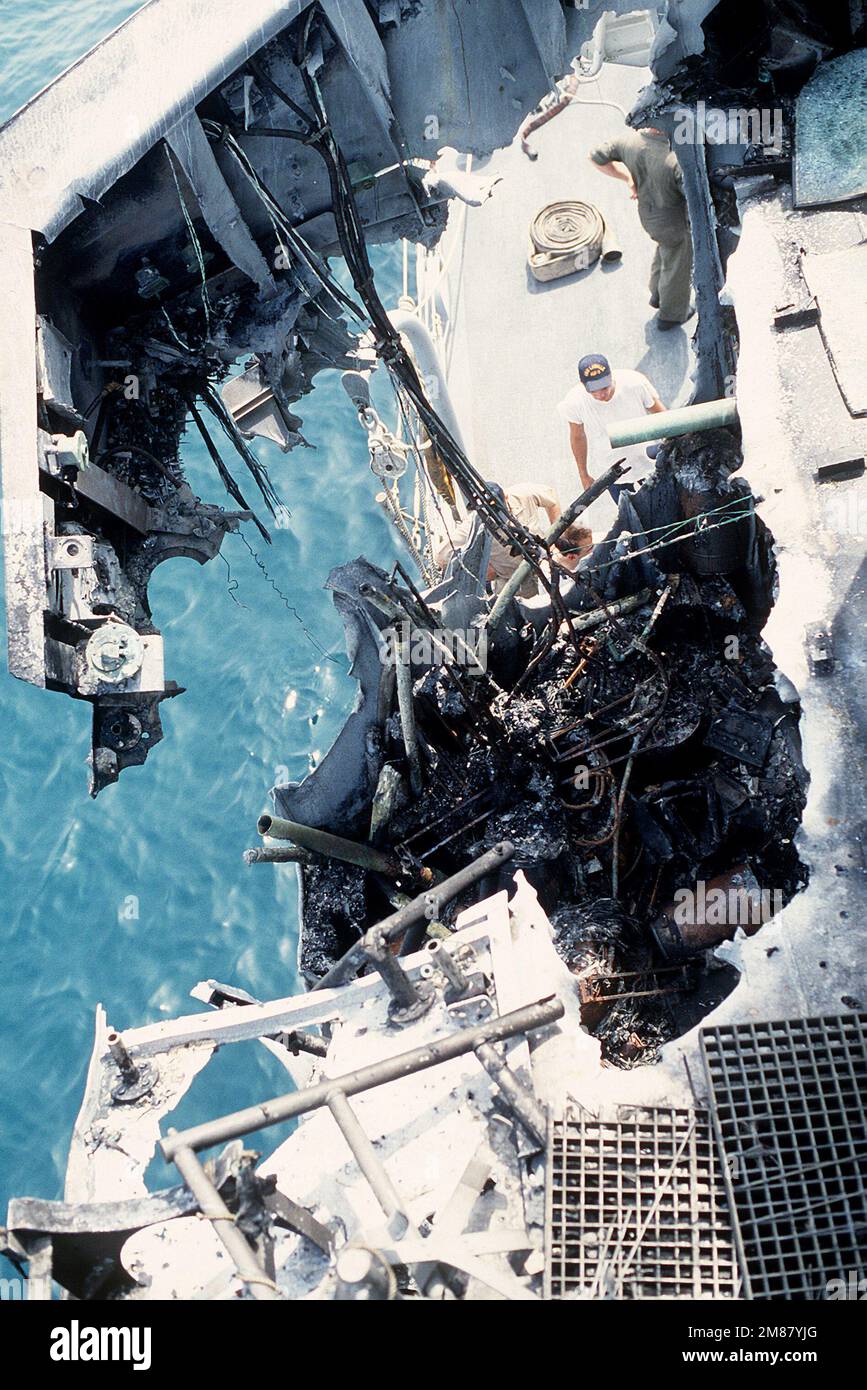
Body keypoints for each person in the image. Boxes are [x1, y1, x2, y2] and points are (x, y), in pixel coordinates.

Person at [589, 126, 693, 329]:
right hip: (673, 220)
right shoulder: (675, 158)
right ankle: (671, 315)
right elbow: (693, 197)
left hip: (647, 214)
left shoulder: (629, 141)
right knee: (678, 263)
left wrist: (628, 179)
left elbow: (595, 156)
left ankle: (657, 295)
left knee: (665, 250)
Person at [557, 353, 666, 504]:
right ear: (583, 385)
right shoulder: (574, 402)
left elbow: (661, 414)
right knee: (629, 513)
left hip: (646, 459)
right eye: (594, 390)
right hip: (612, 468)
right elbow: (577, 437)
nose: (601, 394)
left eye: (604, 387)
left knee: (663, 504)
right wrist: (584, 474)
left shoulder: (635, 383)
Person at [433, 482, 565, 595]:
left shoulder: (522, 494)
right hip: (516, 586)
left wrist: (557, 539)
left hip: (548, 565)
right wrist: (484, 569)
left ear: (506, 497)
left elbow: (551, 498)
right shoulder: (472, 525)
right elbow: (441, 556)